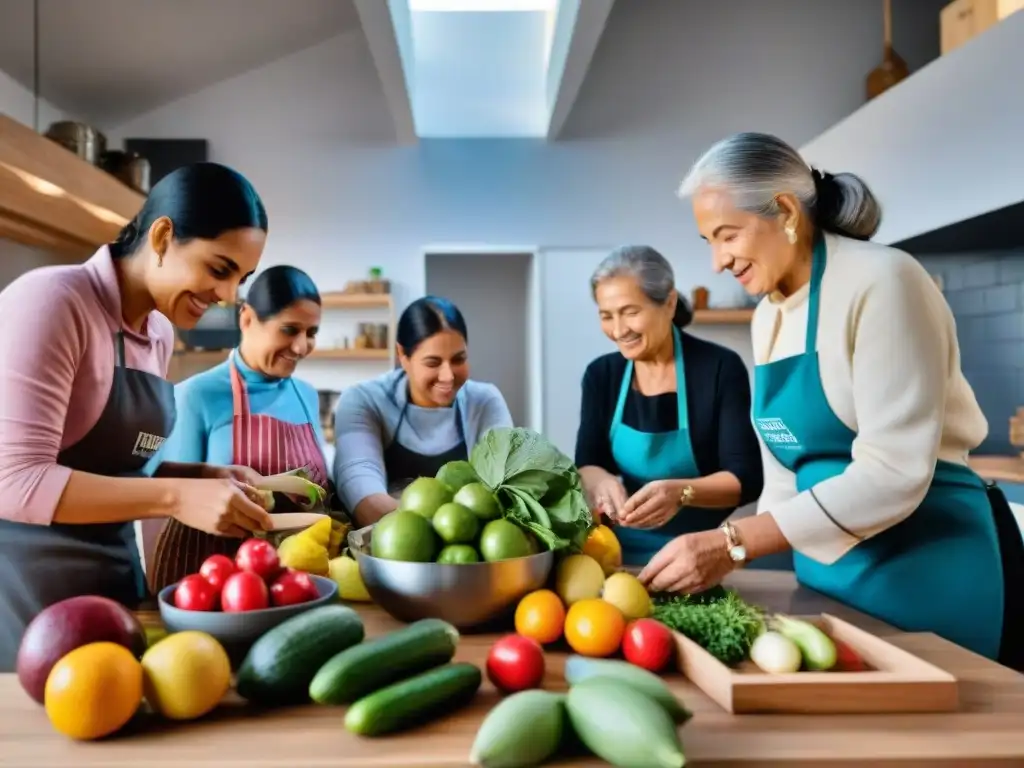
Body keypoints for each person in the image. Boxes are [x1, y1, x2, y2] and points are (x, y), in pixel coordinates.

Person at [639, 131, 1024, 669]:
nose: (717, 262)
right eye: (708, 241)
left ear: (785, 211)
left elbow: (893, 474)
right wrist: (742, 562)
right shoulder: (769, 315)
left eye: (727, 235)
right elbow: (780, 472)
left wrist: (734, 541)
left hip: (923, 569)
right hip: (827, 580)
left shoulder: (883, 281)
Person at [0, 162, 275, 670]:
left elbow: (119, 472)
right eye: (219, 269)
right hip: (28, 605)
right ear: (164, 236)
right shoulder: (53, 303)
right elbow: (14, 480)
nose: (230, 296)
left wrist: (204, 478)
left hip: (118, 591)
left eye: (242, 277)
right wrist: (174, 497)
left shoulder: (160, 332)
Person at [146, 265, 333, 592]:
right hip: (227, 588)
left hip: (303, 583)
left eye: (311, 333)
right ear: (246, 319)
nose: (302, 347)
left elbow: (319, 494)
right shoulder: (196, 395)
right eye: (290, 330)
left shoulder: (306, 395)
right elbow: (172, 516)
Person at [575, 246, 763, 567]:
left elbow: (745, 479)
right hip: (619, 550)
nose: (619, 330)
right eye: (607, 316)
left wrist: (680, 492)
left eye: (630, 312)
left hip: (709, 548)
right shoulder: (601, 375)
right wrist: (601, 481)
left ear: (670, 303)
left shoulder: (719, 368)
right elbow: (589, 462)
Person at [333, 296, 513, 527]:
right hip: (385, 549)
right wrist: (446, 529)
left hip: (466, 554)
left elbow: (506, 483)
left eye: (459, 359)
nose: (448, 376)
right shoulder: (364, 400)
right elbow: (361, 486)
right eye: (433, 363)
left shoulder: (484, 401)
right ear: (403, 355)